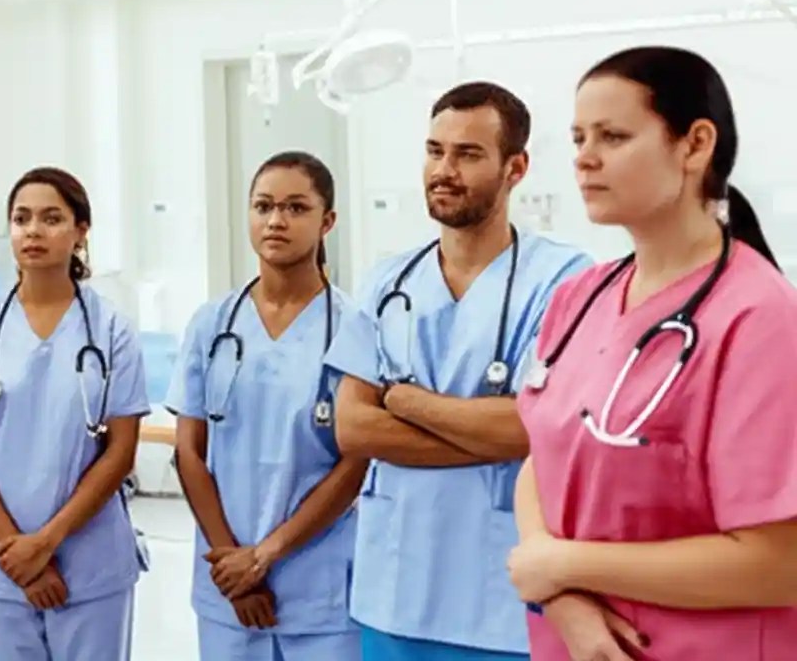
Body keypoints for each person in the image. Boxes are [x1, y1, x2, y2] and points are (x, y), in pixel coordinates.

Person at [507, 46, 797, 661]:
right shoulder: (579, 298)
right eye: (579, 137)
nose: (584, 158)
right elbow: (543, 458)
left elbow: (781, 563)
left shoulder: (760, 319)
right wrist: (561, 595)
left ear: (695, 145)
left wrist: (565, 564)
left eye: (612, 136)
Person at [323, 81, 592, 661]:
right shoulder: (388, 281)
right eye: (434, 151)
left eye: (468, 154)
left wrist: (406, 402)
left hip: (499, 603)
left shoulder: (563, 279)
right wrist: (486, 431)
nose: (444, 170)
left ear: (515, 168)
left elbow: (532, 430)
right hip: (393, 594)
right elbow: (353, 428)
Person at [0, 166, 149, 661]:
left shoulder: (112, 331)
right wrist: (18, 552)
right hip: (0, 561)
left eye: (52, 219)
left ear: (81, 231)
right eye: (22, 219)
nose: (33, 230)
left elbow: (119, 453)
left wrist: (45, 544)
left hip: (89, 562)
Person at [166, 151, 366, 659]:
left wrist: (264, 556)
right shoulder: (212, 324)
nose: (276, 220)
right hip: (227, 585)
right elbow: (189, 451)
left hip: (319, 590)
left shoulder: (354, 329)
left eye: (296, 208)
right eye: (264, 206)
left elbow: (356, 462)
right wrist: (233, 563)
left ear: (327, 221)